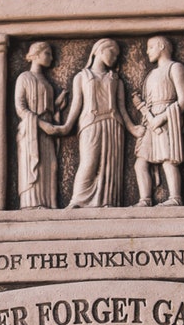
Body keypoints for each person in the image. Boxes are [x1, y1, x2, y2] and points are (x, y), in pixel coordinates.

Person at [43, 38, 143, 208]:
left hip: (113, 125)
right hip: (90, 124)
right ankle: (77, 201)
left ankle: (107, 202)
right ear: (99, 50)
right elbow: (76, 105)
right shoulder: (82, 77)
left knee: (109, 167)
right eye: (113, 53)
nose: (115, 58)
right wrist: (66, 127)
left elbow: (122, 109)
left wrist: (132, 128)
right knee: (88, 162)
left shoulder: (116, 79)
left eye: (118, 55)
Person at [132, 36, 184, 206]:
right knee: (140, 163)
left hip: (168, 118)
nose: (147, 51)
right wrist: (142, 109)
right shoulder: (151, 73)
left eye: (150, 47)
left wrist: (162, 118)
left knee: (167, 159)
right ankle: (145, 199)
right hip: (150, 120)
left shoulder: (175, 67)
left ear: (161, 46)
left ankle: (175, 198)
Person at [15, 42, 66, 209]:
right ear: (36, 55)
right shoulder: (24, 78)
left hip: (46, 132)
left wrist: (57, 106)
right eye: (48, 54)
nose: (51, 58)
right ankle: (31, 204)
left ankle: (48, 204)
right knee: (32, 168)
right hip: (31, 131)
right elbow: (20, 108)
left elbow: (47, 108)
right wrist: (40, 123)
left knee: (49, 167)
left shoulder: (46, 80)